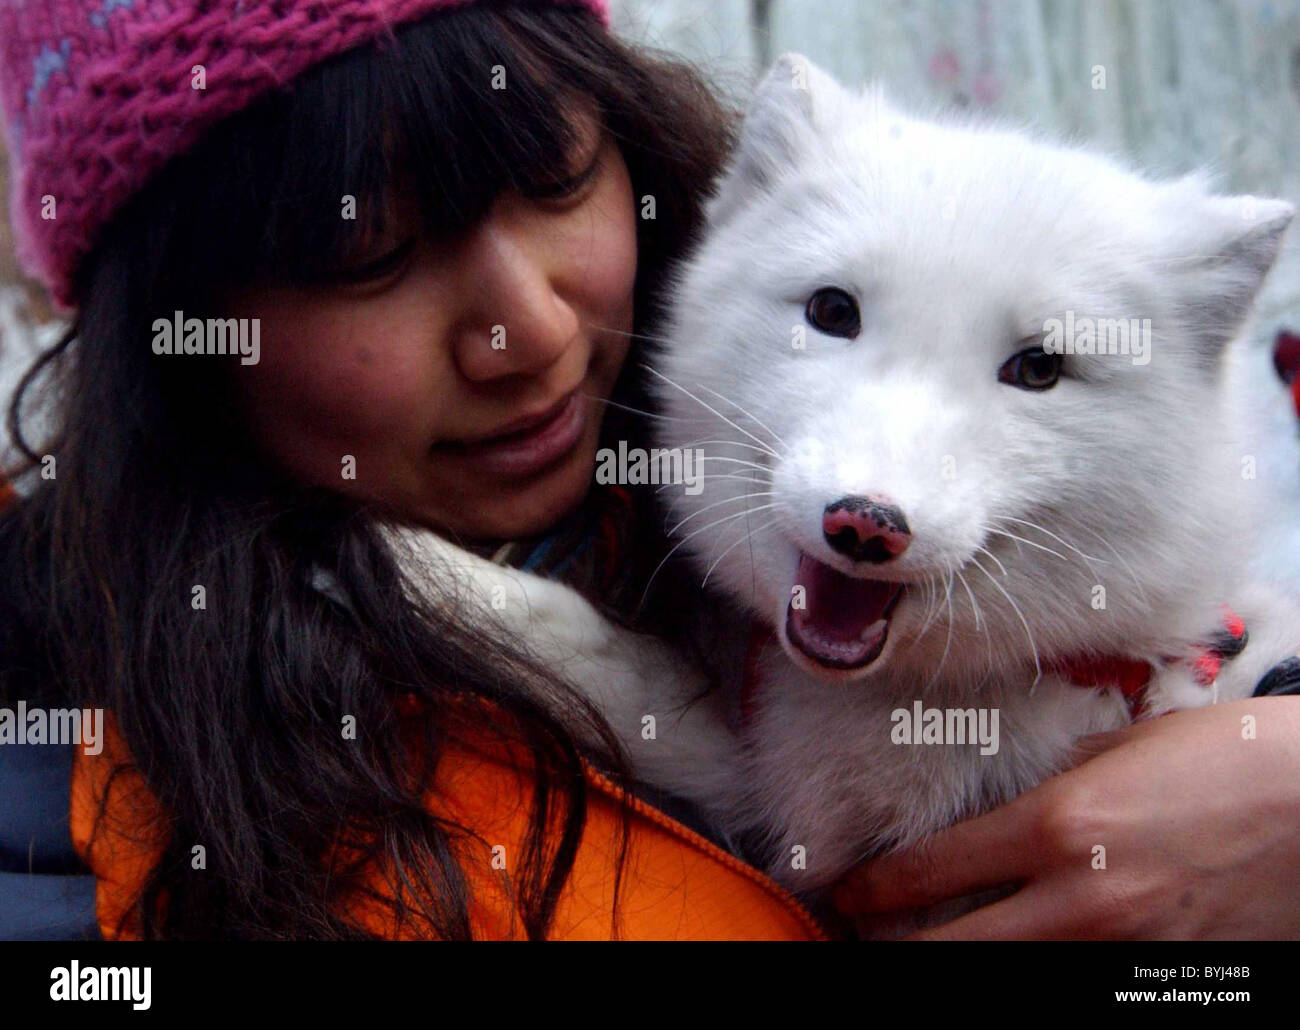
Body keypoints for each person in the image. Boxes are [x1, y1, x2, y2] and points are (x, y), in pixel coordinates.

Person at [0, 0, 1297, 942]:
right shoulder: (66, 829)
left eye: (557, 178)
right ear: (173, 334)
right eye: (368, 254)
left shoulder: (738, 423)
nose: (539, 334)